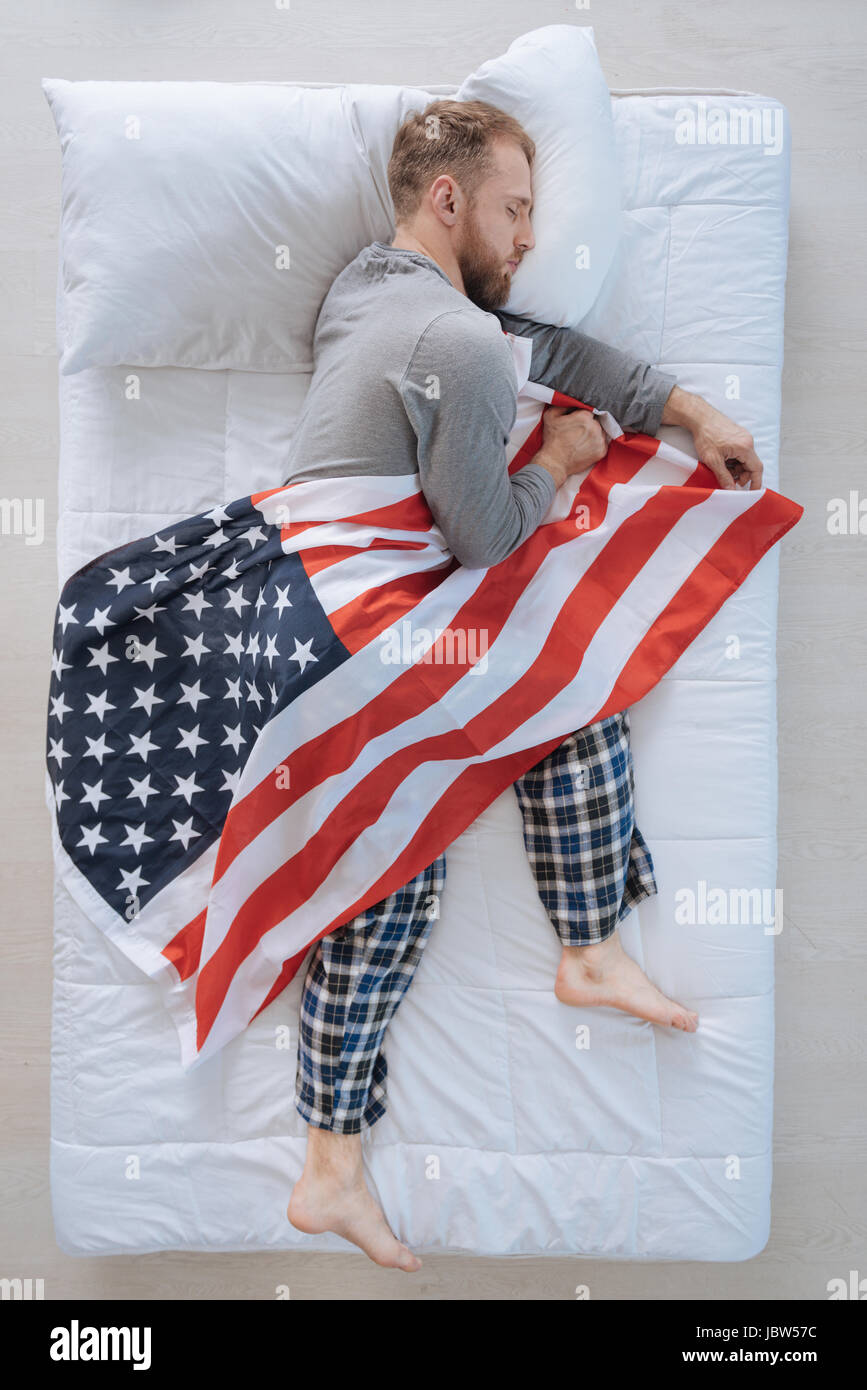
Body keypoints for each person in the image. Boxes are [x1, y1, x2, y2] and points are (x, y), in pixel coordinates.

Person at [286, 99, 765, 1271]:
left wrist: (686, 409)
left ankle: (576, 956)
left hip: (315, 619)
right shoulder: (453, 345)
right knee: (540, 682)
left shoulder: (366, 288)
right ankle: (334, 1161)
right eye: (516, 210)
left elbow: (550, 349)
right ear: (448, 202)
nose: (530, 237)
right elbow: (488, 543)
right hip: (360, 647)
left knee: (544, 698)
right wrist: (555, 459)